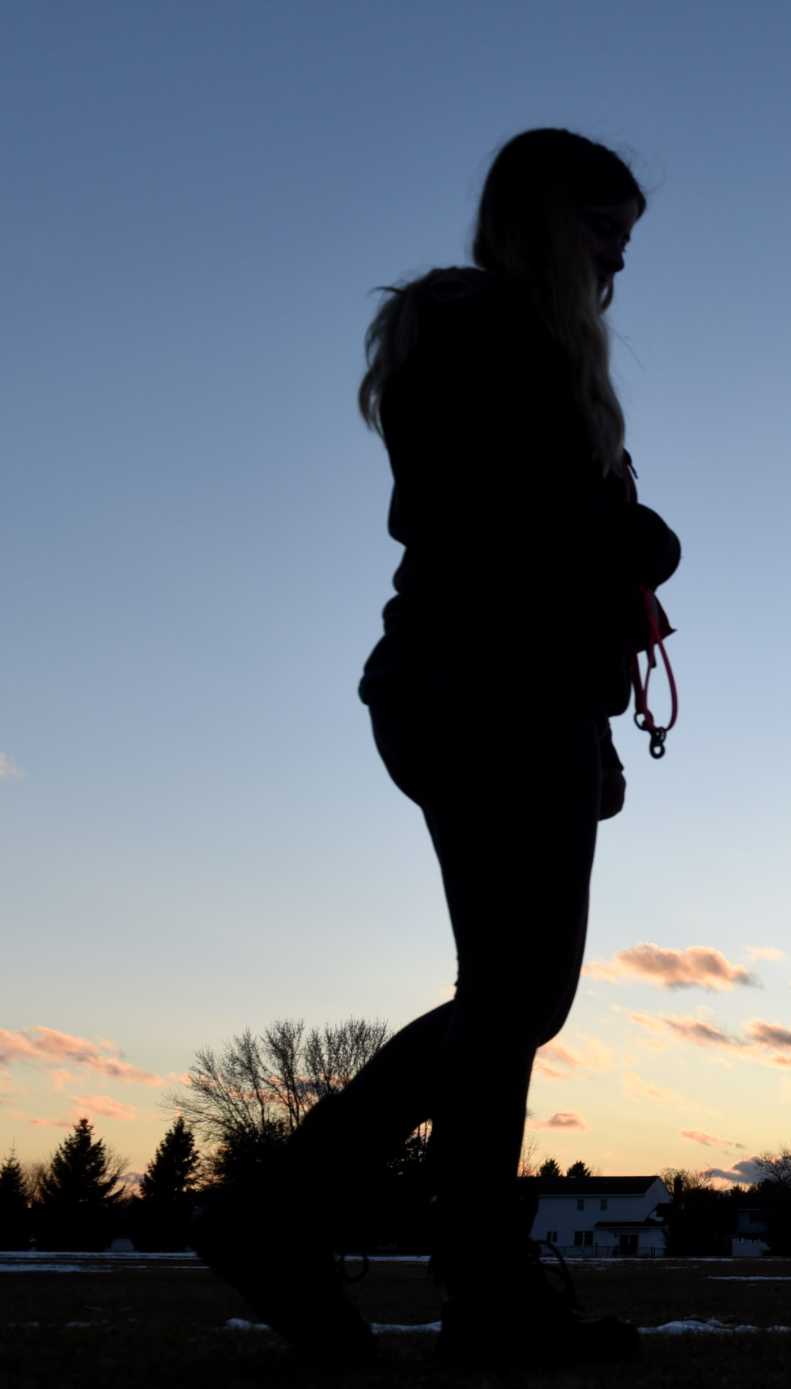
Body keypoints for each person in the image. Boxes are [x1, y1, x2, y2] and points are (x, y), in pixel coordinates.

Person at [193, 128, 680, 1370]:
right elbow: (464, 512)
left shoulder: (527, 351)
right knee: (514, 997)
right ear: (533, 218)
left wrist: (598, 702)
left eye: (627, 230)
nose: (619, 250)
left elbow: (529, 539)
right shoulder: (473, 329)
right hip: (476, 691)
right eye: (599, 225)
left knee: (512, 1001)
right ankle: (312, 1230)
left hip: (518, 697)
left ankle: (462, 1284)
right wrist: (618, 534)